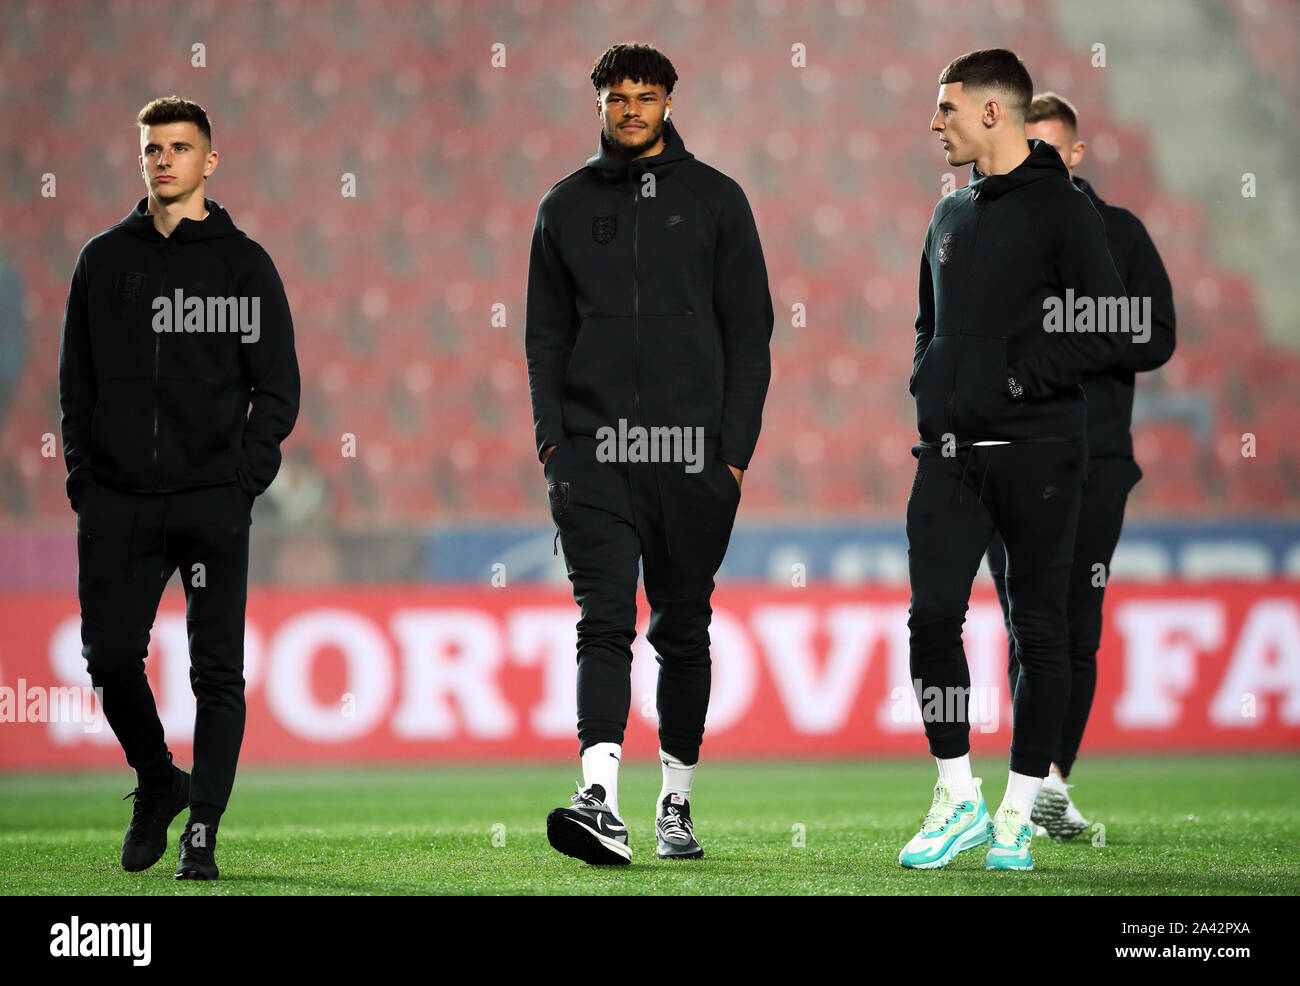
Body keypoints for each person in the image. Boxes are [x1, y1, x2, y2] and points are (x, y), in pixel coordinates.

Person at [525, 43, 772, 865]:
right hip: (593, 456)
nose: (630, 109)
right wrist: (554, 446)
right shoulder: (562, 208)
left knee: (682, 628)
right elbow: (544, 338)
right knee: (602, 621)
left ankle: (676, 804)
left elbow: (751, 338)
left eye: (645, 95)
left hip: (692, 458)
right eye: (616, 96)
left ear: (669, 100)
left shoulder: (717, 200)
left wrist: (731, 458)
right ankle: (597, 795)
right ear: (596, 103)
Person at [59, 96, 299, 880]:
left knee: (216, 673)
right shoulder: (102, 261)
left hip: (210, 500)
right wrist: (86, 483)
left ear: (209, 160)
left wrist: (242, 483)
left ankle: (204, 829)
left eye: (180, 147)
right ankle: (159, 783)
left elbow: (279, 388)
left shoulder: (244, 265)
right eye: (153, 148)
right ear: (142, 158)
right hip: (119, 503)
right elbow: (76, 386)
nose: (164, 160)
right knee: (109, 657)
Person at [900, 49, 1127, 872]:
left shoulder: (1065, 212)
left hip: (1039, 454)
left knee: (1040, 634)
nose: (936, 123)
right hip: (949, 456)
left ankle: (1018, 812)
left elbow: (1110, 327)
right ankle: (957, 793)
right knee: (931, 622)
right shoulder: (948, 214)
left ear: (993, 113)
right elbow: (927, 322)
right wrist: (930, 375)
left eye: (946, 108)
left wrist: (1016, 378)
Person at [985, 92, 1176, 839]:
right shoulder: (988, 225)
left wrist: (1062, 333)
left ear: (1075, 154)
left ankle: (1048, 780)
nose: (1037, 162)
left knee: (1077, 623)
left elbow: (1155, 334)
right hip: (1013, 452)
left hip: (1095, 458)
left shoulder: (1121, 234)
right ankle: (1034, 782)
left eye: (1049, 150)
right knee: (1027, 624)